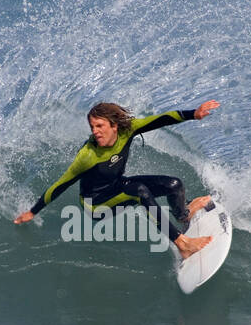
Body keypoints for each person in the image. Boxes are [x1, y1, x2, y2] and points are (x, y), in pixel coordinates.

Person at [13, 100, 221, 258]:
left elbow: (161, 119)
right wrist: (32, 212)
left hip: (115, 186)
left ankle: (183, 215)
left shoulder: (127, 131)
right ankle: (182, 244)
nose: (95, 132)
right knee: (139, 191)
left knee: (174, 185)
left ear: (114, 126)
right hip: (95, 204)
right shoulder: (87, 156)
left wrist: (194, 113)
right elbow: (60, 185)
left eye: (99, 126)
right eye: (92, 127)